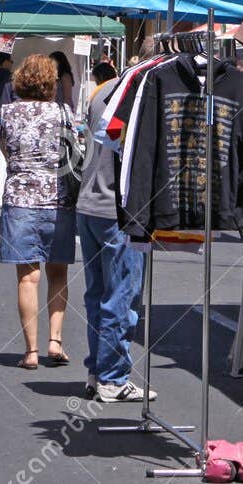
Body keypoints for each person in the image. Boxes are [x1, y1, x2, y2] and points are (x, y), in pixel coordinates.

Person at [75, 69, 152, 402]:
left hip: (89, 202)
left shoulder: (102, 91)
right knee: (121, 295)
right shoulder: (143, 95)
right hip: (118, 209)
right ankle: (113, 377)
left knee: (98, 294)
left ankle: (97, 371)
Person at [0, 54, 76, 371]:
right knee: (58, 273)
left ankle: (30, 351)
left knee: (27, 278)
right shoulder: (63, 112)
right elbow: (73, 151)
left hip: (19, 197)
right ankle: (54, 341)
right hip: (57, 199)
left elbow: (5, 149)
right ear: (51, 83)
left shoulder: (8, 112)